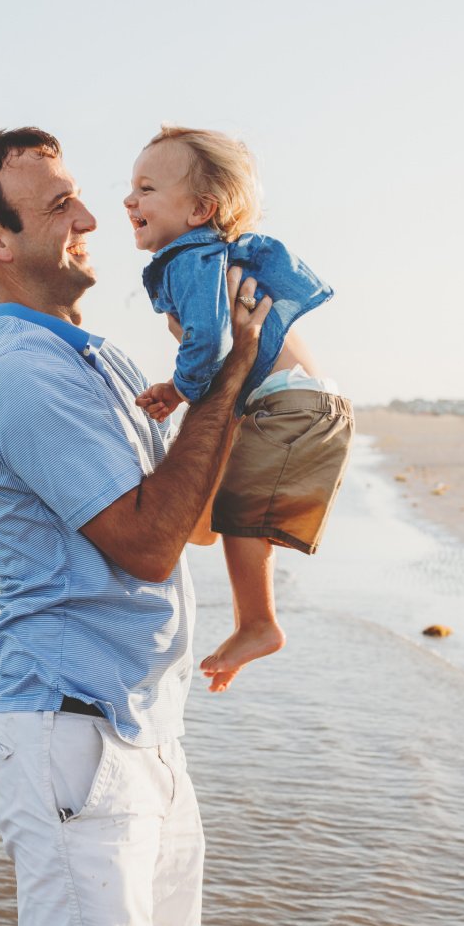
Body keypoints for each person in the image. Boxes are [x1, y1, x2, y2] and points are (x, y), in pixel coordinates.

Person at [0, 127, 269, 926]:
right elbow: (147, 548)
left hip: (147, 732)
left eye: (78, 197)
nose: (89, 218)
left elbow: (189, 527)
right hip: (74, 734)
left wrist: (245, 385)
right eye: (59, 206)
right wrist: (225, 378)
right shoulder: (23, 373)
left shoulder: (102, 362)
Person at [125, 125, 353, 693]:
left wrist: (178, 389)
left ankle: (259, 624)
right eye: (131, 188)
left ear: (200, 210)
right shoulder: (214, 256)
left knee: (241, 516)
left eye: (147, 189)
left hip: (287, 405)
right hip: (301, 401)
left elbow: (209, 341)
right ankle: (255, 621)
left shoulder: (191, 258)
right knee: (223, 516)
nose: (130, 200)